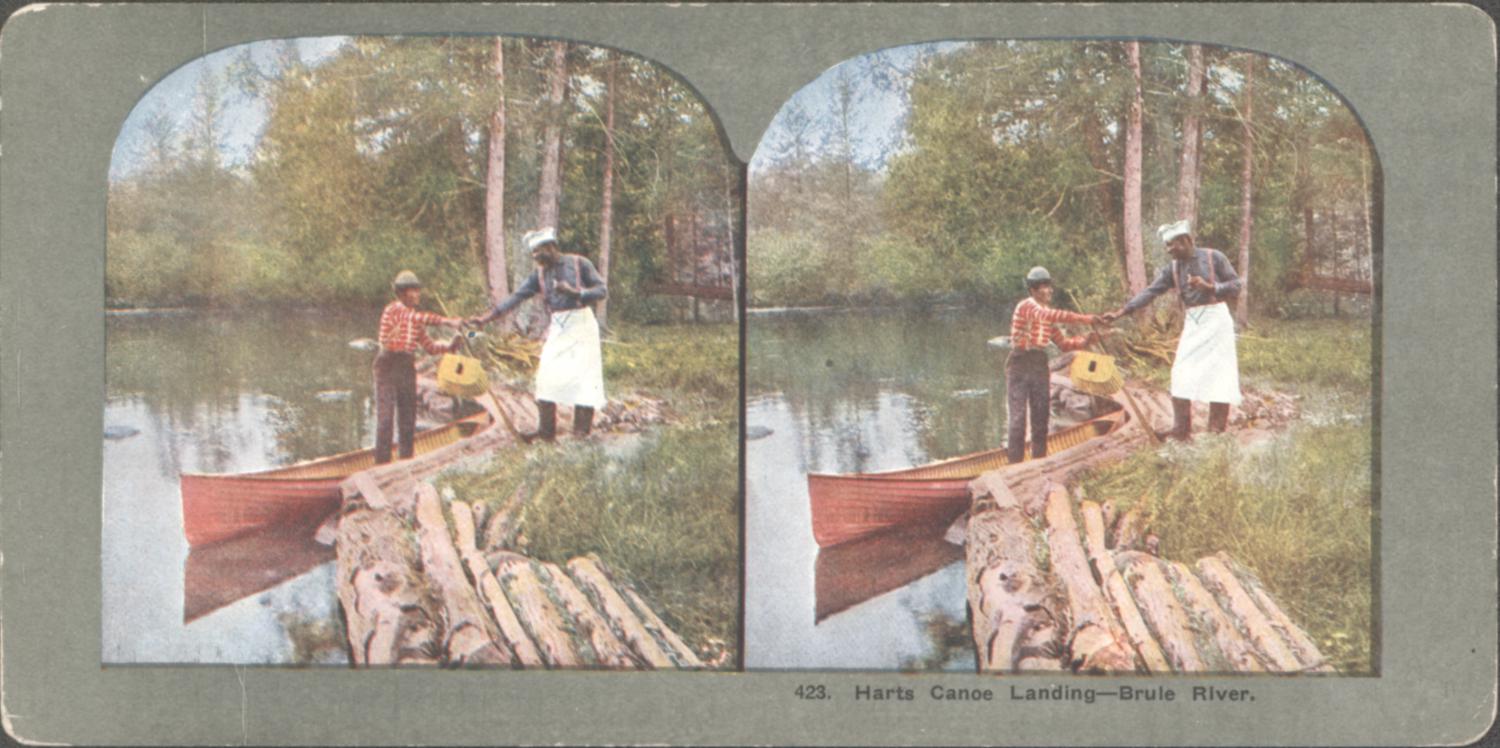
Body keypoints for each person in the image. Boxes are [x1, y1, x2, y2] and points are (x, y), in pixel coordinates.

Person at [1101, 220, 1244, 439]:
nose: (1169, 250)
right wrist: (1121, 312)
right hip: (1194, 321)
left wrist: (1211, 287)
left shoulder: (1213, 257)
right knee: (1180, 373)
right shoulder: (1173, 268)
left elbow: (1236, 285)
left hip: (1217, 319)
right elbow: (1151, 291)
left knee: (1219, 374)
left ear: (1187, 240)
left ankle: (1216, 431)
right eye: (1167, 246)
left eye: (1172, 245)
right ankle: (1181, 431)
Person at [469, 227, 608, 441]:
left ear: (552, 247)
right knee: (546, 377)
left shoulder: (580, 263)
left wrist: (576, 292)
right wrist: (486, 318)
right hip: (559, 325)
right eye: (533, 253)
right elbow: (516, 297)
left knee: (584, 378)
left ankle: (581, 433)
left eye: (539, 252)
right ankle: (546, 434)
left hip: (582, 323)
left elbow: (602, 290)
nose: (536, 257)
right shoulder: (540, 274)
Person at [1006, 266, 1103, 464]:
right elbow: (1054, 316)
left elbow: (1064, 344)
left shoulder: (1046, 315)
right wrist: (1086, 319)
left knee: (1041, 418)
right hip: (1020, 363)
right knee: (1017, 420)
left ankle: (1039, 463)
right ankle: (1013, 466)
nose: (1050, 291)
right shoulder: (1027, 306)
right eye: (1044, 287)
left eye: (1050, 286)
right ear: (1033, 290)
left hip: (1039, 364)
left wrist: (1086, 341)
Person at [374, 270, 464, 464]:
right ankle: (381, 465)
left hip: (406, 366)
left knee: (408, 419)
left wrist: (450, 346)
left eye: (417, 290)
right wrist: (447, 321)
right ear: (402, 293)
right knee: (385, 421)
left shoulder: (415, 320)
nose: (417, 294)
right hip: (387, 366)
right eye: (413, 290)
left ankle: (406, 462)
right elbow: (416, 318)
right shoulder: (394, 310)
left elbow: (430, 347)